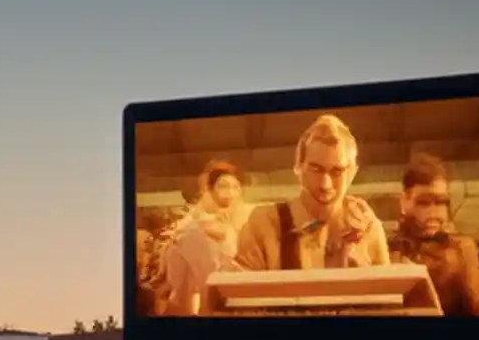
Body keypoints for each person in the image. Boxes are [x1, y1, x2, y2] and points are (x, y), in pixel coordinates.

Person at [236, 114, 390, 271]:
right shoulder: (265, 224)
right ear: (298, 167)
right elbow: (239, 290)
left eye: (337, 171)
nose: (325, 185)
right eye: (316, 169)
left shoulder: (367, 228)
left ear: (352, 173)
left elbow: (388, 291)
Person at [388, 153, 479, 316]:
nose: (434, 213)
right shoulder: (386, 248)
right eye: (423, 202)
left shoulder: (460, 249)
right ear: (404, 201)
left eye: (441, 202)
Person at [162, 161, 253, 314]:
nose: (229, 192)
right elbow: (204, 283)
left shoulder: (240, 221)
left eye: (235, 187)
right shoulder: (195, 228)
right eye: (223, 186)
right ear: (210, 189)